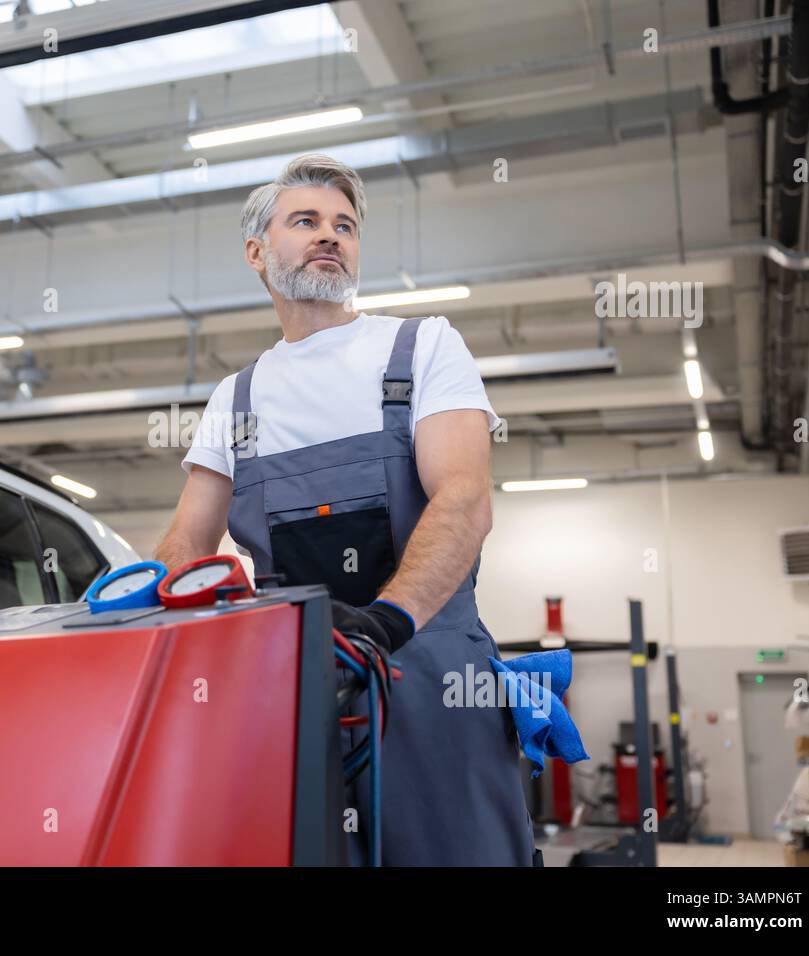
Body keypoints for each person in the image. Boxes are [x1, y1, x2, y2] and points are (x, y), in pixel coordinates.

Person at [154, 153, 536, 865]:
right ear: (257, 252)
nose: (330, 235)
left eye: (345, 225)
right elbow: (185, 545)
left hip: (432, 682)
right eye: (306, 221)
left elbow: (464, 499)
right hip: (295, 698)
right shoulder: (235, 400)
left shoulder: (421, 347)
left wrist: (386, 624)